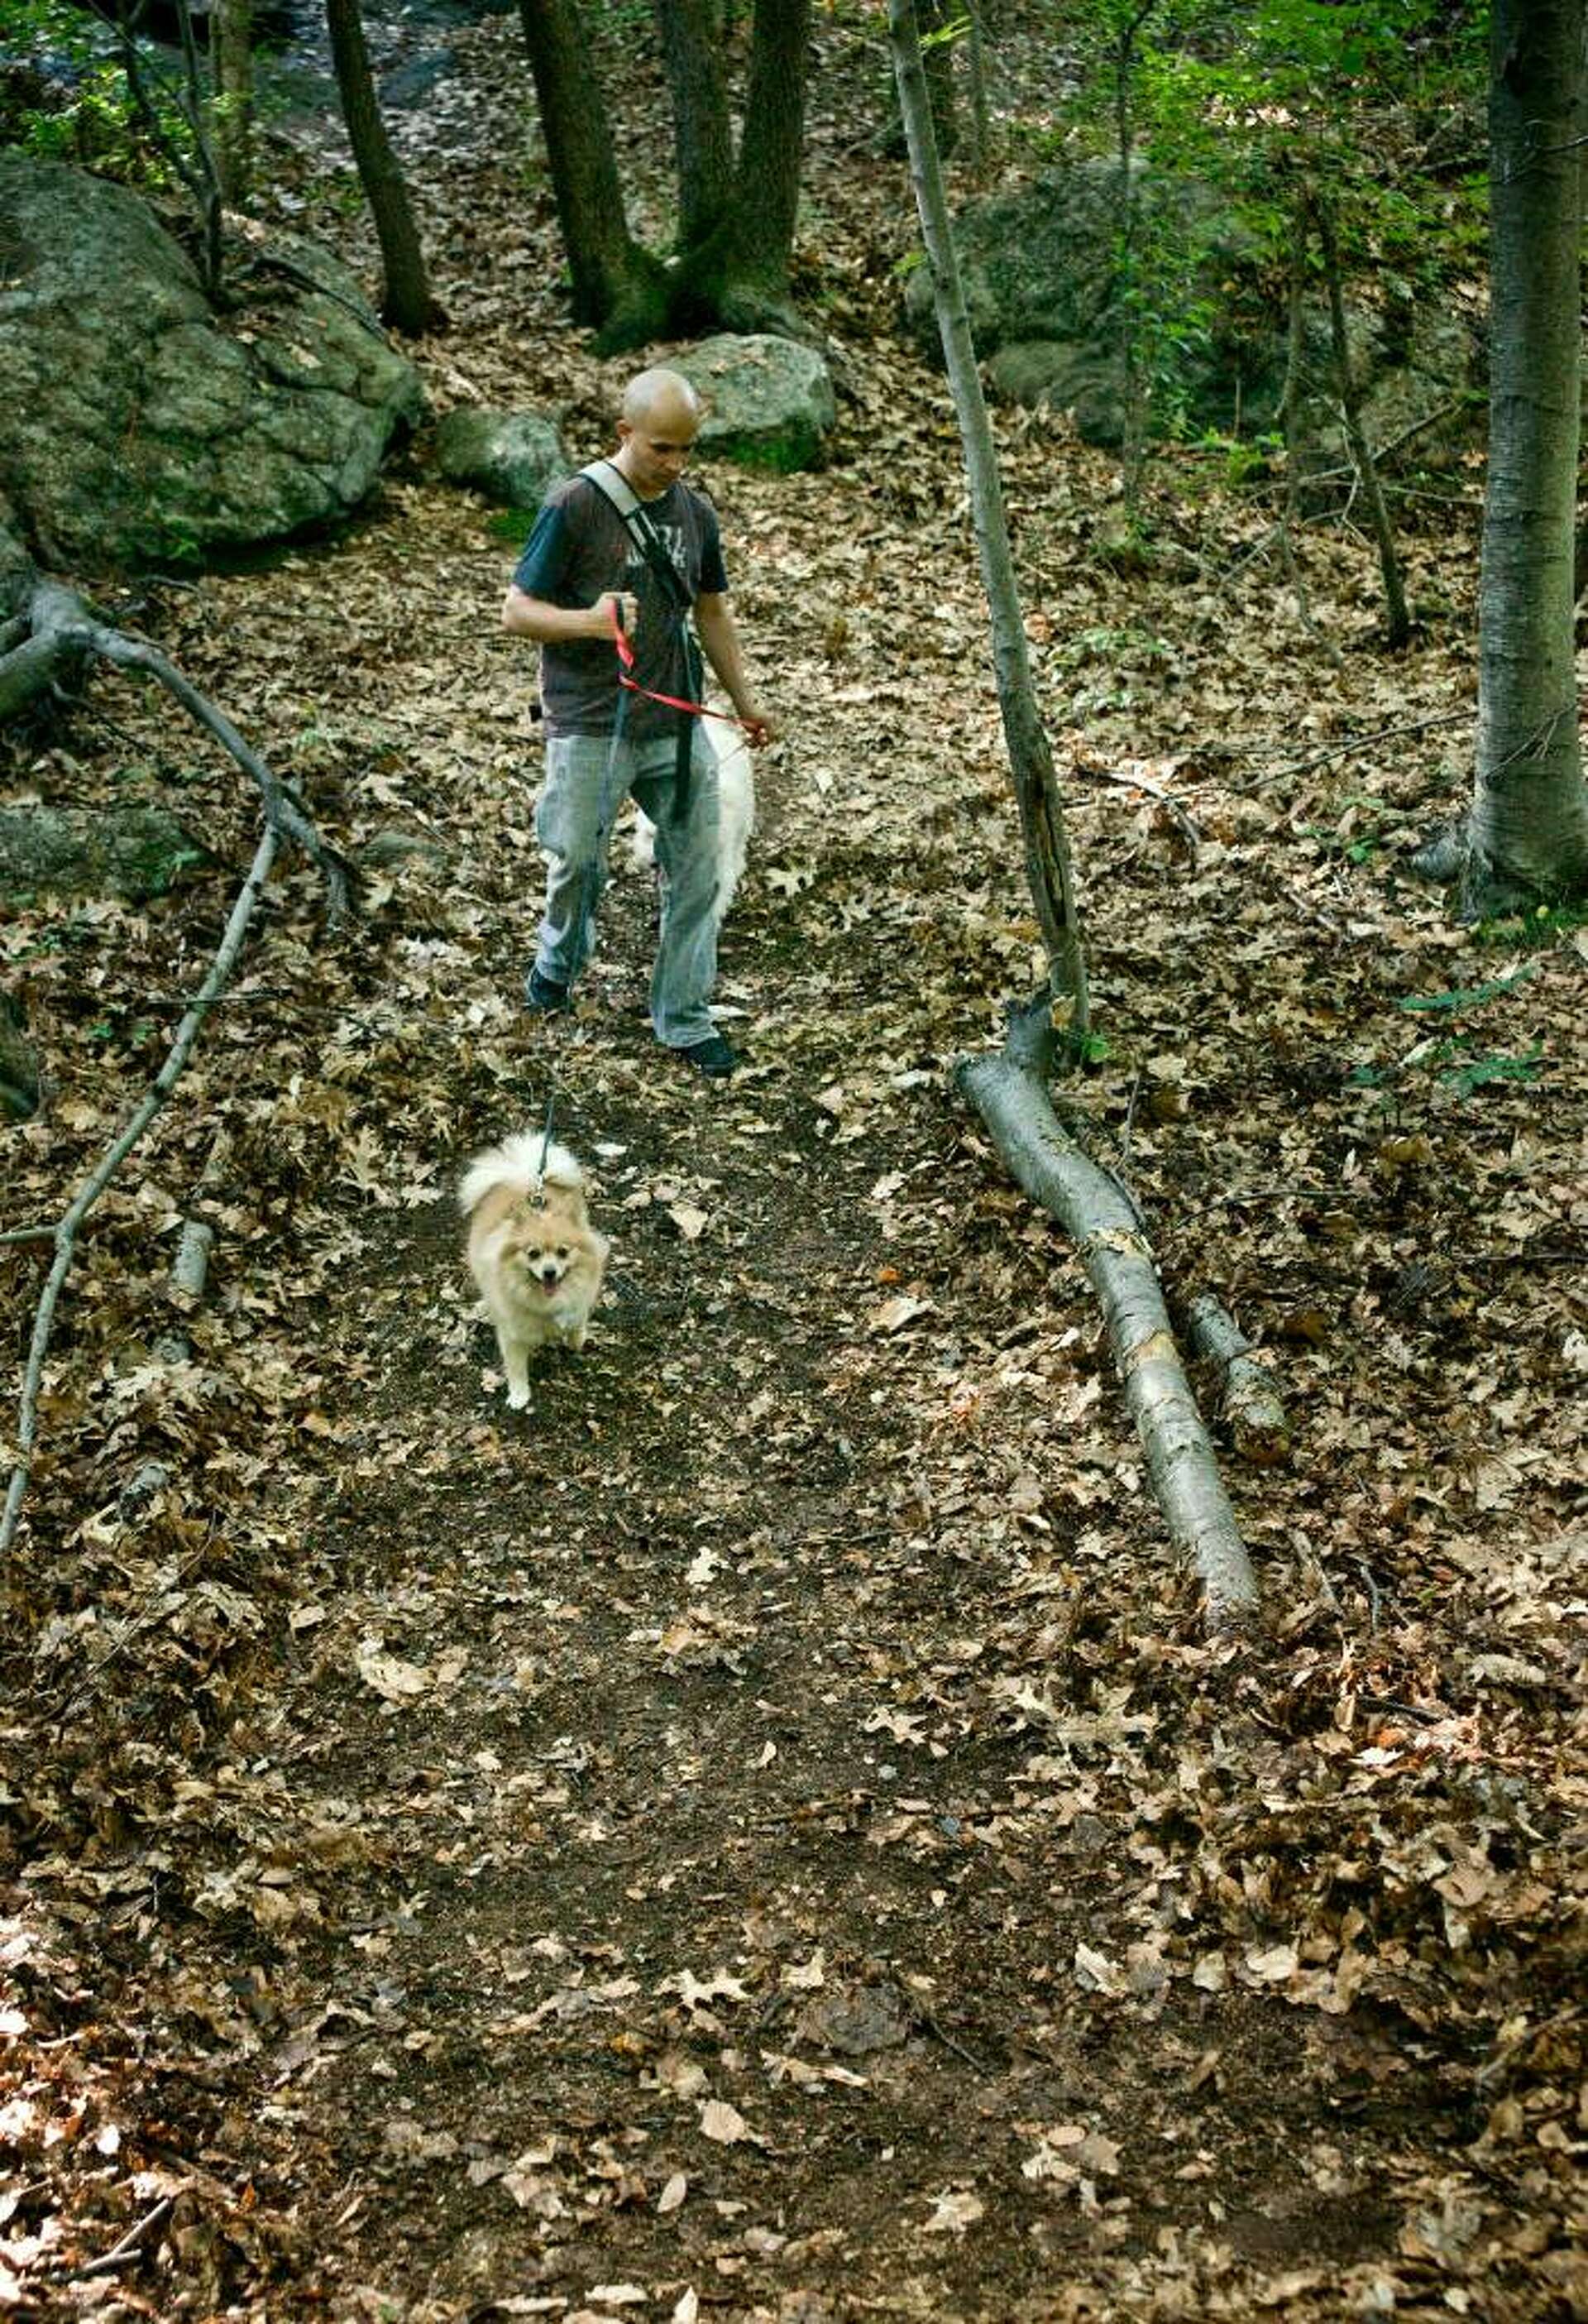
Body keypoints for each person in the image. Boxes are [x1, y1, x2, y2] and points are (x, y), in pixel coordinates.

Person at [502, 368, 774, 1079]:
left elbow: (712, 609)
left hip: (675, 718)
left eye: (687, 449)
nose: (676, 464)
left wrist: (744, 701)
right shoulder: (574, 506)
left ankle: (682, 1015)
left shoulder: (695, 513)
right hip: (591, 720)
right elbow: (516, 611)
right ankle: (558, 963)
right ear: (625, 434)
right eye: (662, 448)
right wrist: (589, 623)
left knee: (701, 866)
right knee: (578, 862)